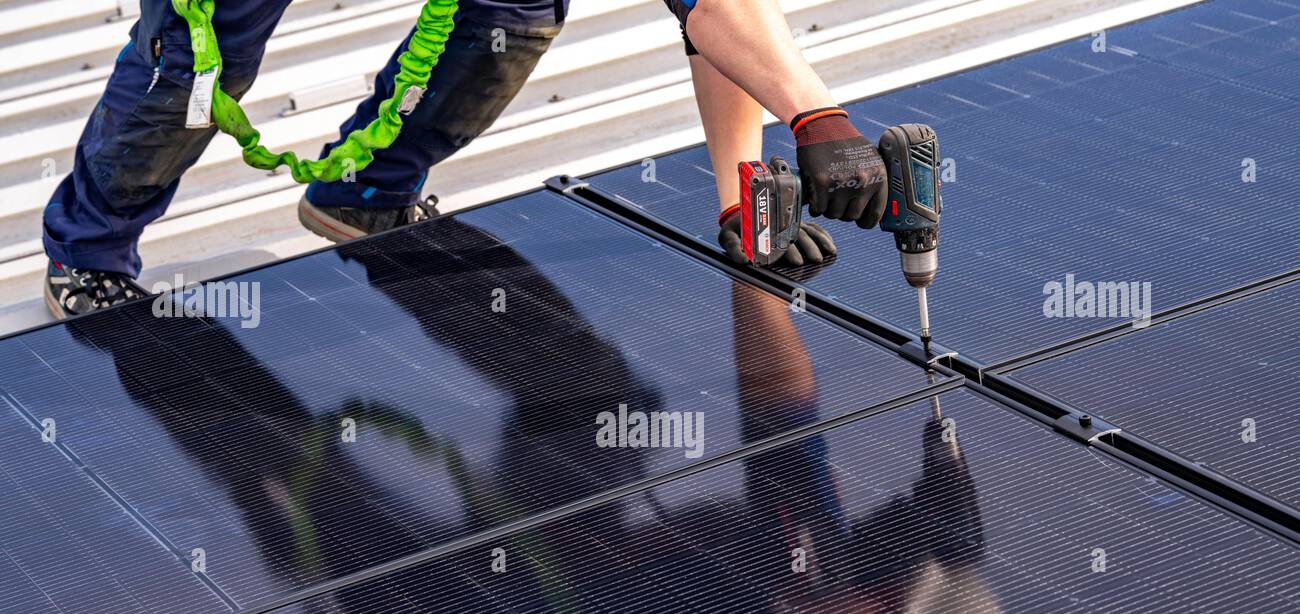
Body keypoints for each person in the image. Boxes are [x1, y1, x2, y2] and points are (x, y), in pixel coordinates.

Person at [43, 0, 888, 318]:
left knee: (507, 12)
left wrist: (749, 191)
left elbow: (714, 6)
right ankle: (88, 254)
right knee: (198, 59)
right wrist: (815, 114)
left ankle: (365, 192)